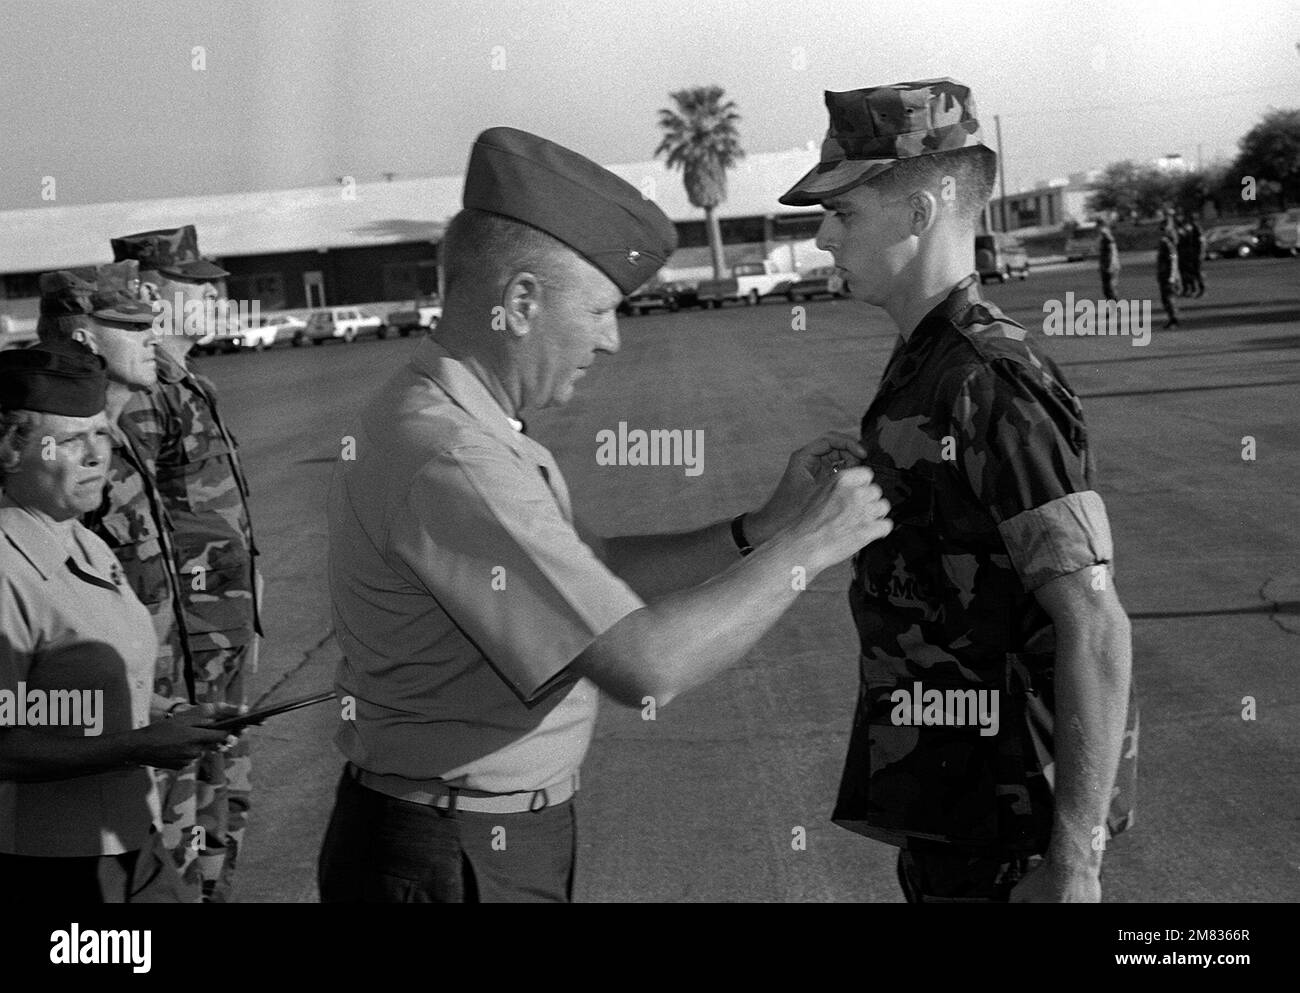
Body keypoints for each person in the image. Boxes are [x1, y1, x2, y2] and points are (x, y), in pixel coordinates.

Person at [317, 126, 894, 903]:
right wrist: (809, 547)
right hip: (452, 854)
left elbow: (595, 576)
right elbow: (646, 664)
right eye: (598, 310)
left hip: (474, 834)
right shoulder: (455, 456)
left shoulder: (457, 417)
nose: (613, 340)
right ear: (520, 302)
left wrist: (756, 528)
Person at [778, 78, 1137, 902]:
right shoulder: (928, 361)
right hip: (957, 806)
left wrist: (1074, 859)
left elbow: (1095, 619)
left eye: (844, 213)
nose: (825, 238)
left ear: (921, 210)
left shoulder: (988, 379)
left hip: (1012, 831)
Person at [0, 338, 234, 904]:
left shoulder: (84, 540)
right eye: (72, 440)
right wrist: (138, 745)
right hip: (49, 866)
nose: (96, 457)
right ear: (10, 448)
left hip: (132, 841)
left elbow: (64, 694)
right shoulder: (7, 570)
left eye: (102, 434)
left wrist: (170, 713)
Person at [111, 226, 261, 903]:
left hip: (221, 623)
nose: (215, 293)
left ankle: (211, 891)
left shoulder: (186, 381)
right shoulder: (148, 395)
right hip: (188, 633)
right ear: (152, 292)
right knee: (188, 794)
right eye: (196, 284)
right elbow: (140, 528)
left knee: (223, 785)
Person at [1157, 222, 1181, 328]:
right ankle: (1172, 318)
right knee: (1166, 298)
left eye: (1162, 230)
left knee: (1168, 298)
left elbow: (1173, 259)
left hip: (1168, 276)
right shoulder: (1165, 242)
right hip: (1164, 274)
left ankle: (1174, 320)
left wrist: (1172, 276)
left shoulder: (1167, 243)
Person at [1097, 220, 1120, 302]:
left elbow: (1111, 252)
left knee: (1110, 289)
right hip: (1107, 266)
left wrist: (1110, 266)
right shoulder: (1105, 237)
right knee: (1108, 290)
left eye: (1099, 227)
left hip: (1110, 267)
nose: (1098, 229)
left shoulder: (1107, 237)